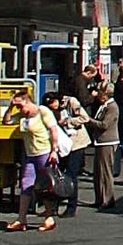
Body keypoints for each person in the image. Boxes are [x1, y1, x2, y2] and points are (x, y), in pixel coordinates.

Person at [5, 90, 63, 232]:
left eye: (20, 106)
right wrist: (10, 107)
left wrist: (54, 150)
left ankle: (49, 217)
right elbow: (6, 121)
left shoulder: (42, 111)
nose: (19, 109)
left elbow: (53, 130)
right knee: (26, 183)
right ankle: (21, 219)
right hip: (31, 154)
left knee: (45, 186)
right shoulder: (22, 117)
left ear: (27, 101)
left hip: (44, 152)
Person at [49, 89, 91, 217]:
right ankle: (53, 207)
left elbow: (85, 118)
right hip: (61, 144)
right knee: (57, 174)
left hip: (76, 143)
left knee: (72, 174)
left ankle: (71, 207)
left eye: (54, 104)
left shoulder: (71, 102)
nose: (54, 107)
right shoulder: (49, 110)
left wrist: (67, 121)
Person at [90, 82, 120, 210]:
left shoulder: (112, 107)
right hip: (100, 141)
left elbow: (104, 124)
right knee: (98, 172)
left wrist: (88, 120)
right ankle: (99, 198)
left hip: (108, 141)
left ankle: (108, 199)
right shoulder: (104, 106)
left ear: (105, 95)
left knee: (106, 172)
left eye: (100, 93)